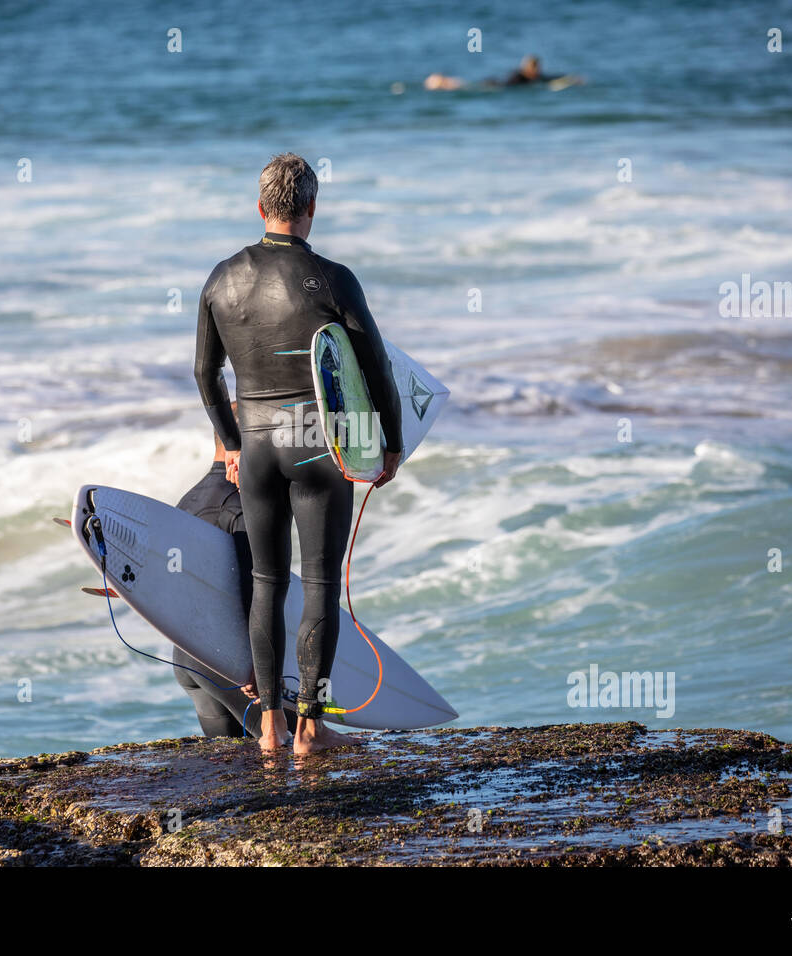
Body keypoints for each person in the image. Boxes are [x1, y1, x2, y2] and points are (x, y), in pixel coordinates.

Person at [194, 153, 403, 754]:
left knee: (266, 583)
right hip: (317, 447)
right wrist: (388, 443)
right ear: (311, 208)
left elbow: (204, 372)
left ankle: (269, 726)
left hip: (256, 447)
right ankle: (311, 727)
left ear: (261, 208)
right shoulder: (334, 279)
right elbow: (374, 367)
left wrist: (230, 443)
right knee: (317, 586)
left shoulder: (220, 279)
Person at [171, 405, 299, 737]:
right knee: (284, 740)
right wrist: (260, 666)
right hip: (230, 660)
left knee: (229, 768)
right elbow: (250, 586)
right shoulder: (239, 503)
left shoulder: (188, 500)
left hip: (187, 655)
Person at [424, 54, 583, 92]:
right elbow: (507, 86)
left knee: (467, 85)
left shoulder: (536, 77)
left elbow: (551, 77)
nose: (537, 71)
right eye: (535, 68)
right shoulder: (519, 76)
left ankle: (442, 81)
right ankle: (441, 81)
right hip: (496, 85)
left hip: (497, 84)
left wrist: (571, 79)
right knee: (466, 86)